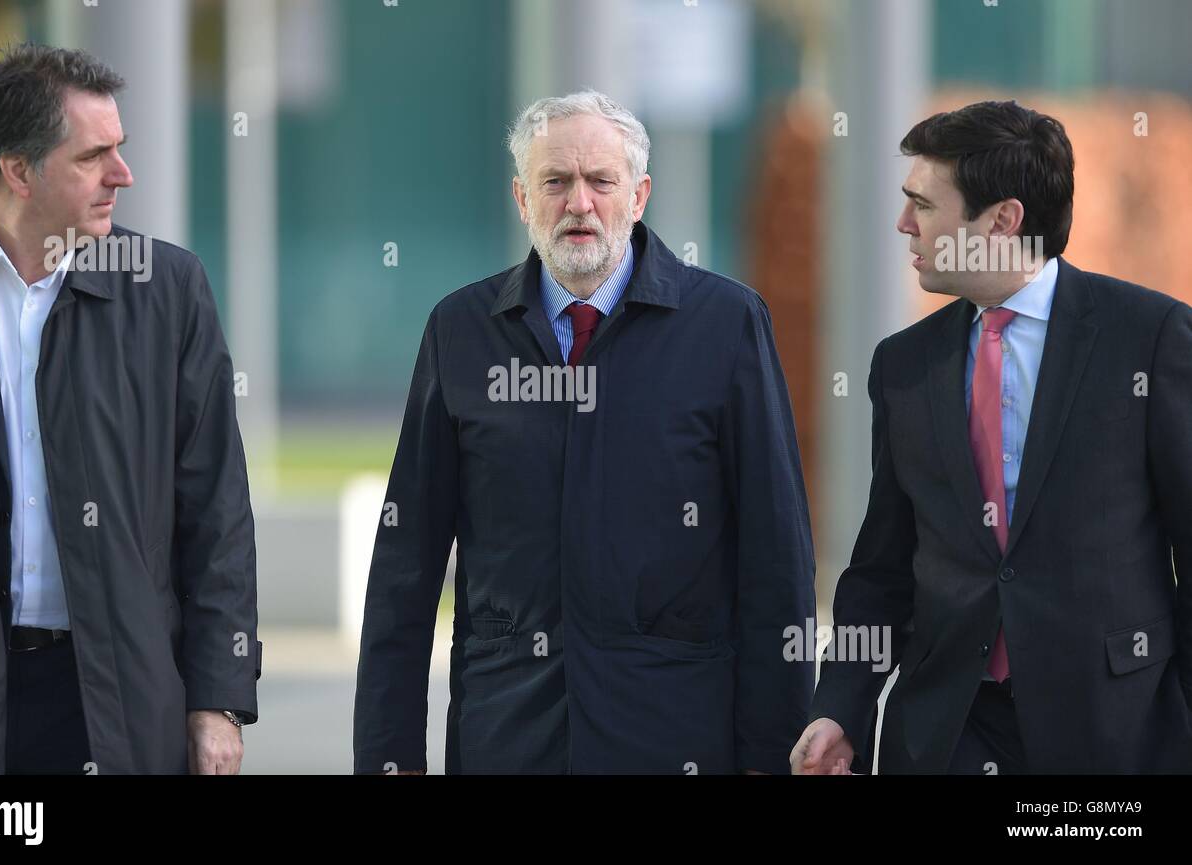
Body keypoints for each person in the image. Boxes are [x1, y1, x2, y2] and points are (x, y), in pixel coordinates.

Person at [354, 90, 814, 774]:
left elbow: (776, 560)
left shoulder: (726, 325)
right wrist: (389, 756)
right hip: (506, 737)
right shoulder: (461, 330)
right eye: (555, 182)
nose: (580, 203)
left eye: (601, 181)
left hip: (675, 740)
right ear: (521, 197)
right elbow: (405, 566)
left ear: (639, 195)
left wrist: (770, 756)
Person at [792, 100, 1192, 775]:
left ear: (1002, 220)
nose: (903, 224)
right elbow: (883, 567)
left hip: (1115, 737)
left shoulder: (1149, 340)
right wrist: (840, 707)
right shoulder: (904, 366)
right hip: (947, 736)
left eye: (923, 204)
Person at [0, 44, 260, 774]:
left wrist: (216, 700)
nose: (122, 174)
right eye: (94, 157)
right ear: (19, 171)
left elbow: (217, 513)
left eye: (119, 149)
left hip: (117, 702)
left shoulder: (168, 290)